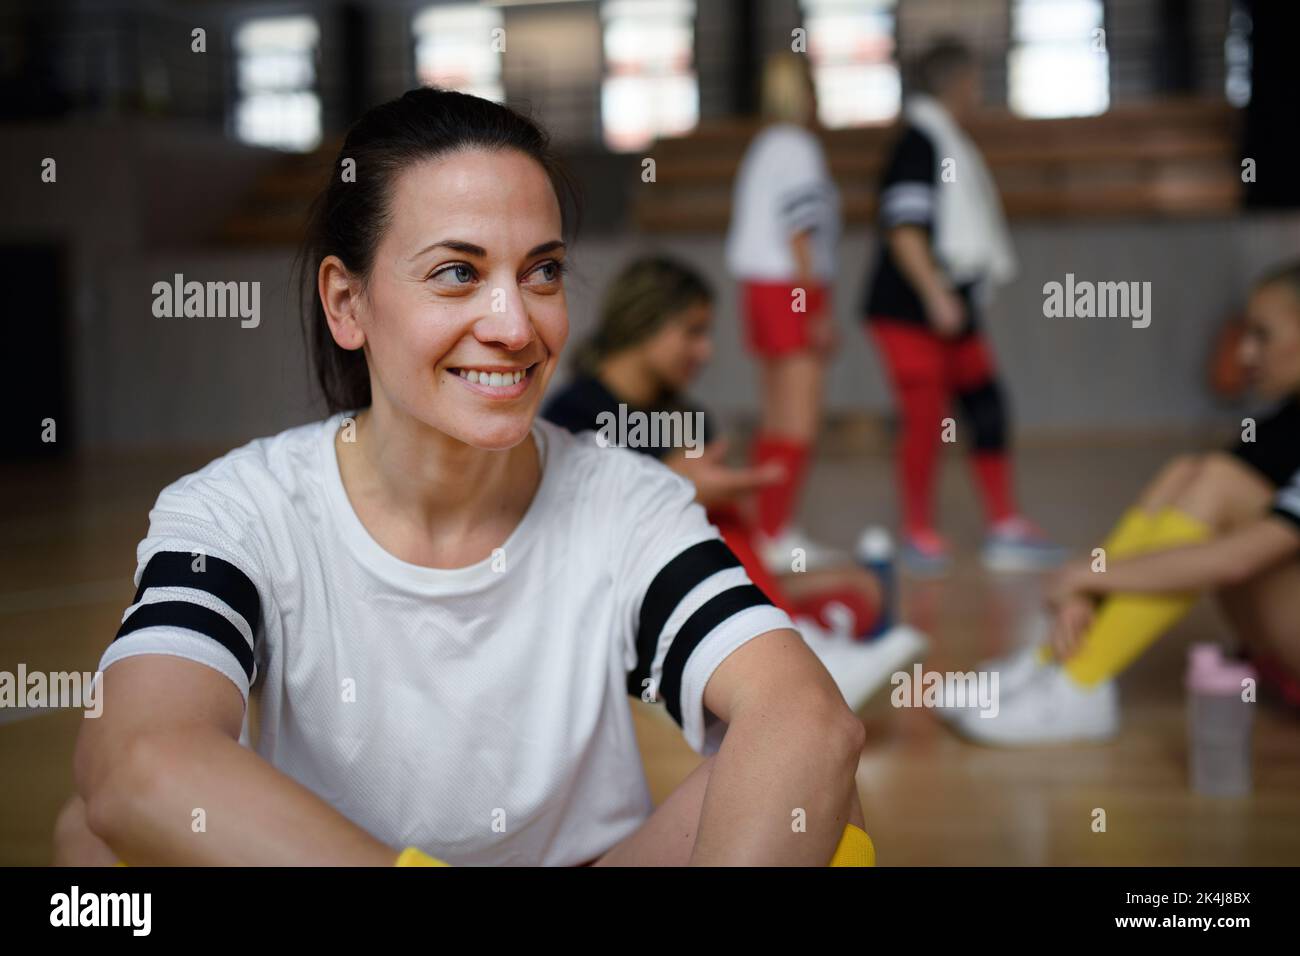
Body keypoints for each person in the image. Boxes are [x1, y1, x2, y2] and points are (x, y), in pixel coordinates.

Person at [52, 88, 876, 867]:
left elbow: (804, 719)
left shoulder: (627, 502)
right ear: (347, 303)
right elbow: (139, 763)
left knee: (821, 790)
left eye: (542, 271)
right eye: (458, 273)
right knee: (94, 839)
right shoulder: (238, 513)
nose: (515, 325)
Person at [544, 255, 929, 712]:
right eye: (692, 332)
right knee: (704, 513)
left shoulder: (688, 418)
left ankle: (808, 640)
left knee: (858, 593)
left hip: (691, 593)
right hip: (611, 606)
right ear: (643, 322)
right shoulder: (571, 415)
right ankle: (798, 653)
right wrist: (677, 490)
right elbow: (568, 538)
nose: (705, 351)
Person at [950, 261, 1300, 745]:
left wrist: (1087, 575)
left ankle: (1082, 682)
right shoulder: (1285, 424)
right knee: (1187, 473)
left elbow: (1238, 561)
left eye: (1262, 335)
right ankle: (1053, 660)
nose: (1244, 352)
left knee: (1217, 483)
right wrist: (1085, 588)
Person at [862, 38, 1063, 575]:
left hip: (952, 307)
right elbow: (903, 229)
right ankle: (917, 533)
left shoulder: (947, 143)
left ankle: (1004, 526)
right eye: (973, 80)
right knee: (925, 421)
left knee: (987, 406)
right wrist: (934, 293)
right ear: (956, 83)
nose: (977, 91)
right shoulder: (919, 145)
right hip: (911, 311)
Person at [724, 51, 842, 572]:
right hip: (789, 289)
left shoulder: (765, 146)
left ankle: (767, 528)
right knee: (799, 422)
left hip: (761, 289)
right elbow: (799, 233)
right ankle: (774, 531)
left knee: (776, 420)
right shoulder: (797, 147)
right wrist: (814, 305)